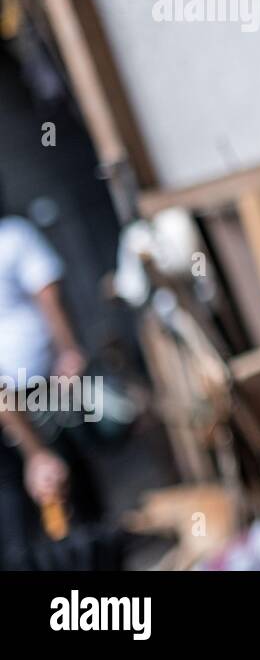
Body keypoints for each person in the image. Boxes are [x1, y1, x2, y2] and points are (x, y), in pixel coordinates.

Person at [0, 178, 97, 570]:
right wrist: (35, 452)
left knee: (60, 487)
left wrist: (67, 352)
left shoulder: (14, 236)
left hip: (32, 384)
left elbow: (47, 295)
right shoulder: (15, 236)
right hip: (23, 391)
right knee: (51, 486)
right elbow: (49, 295)